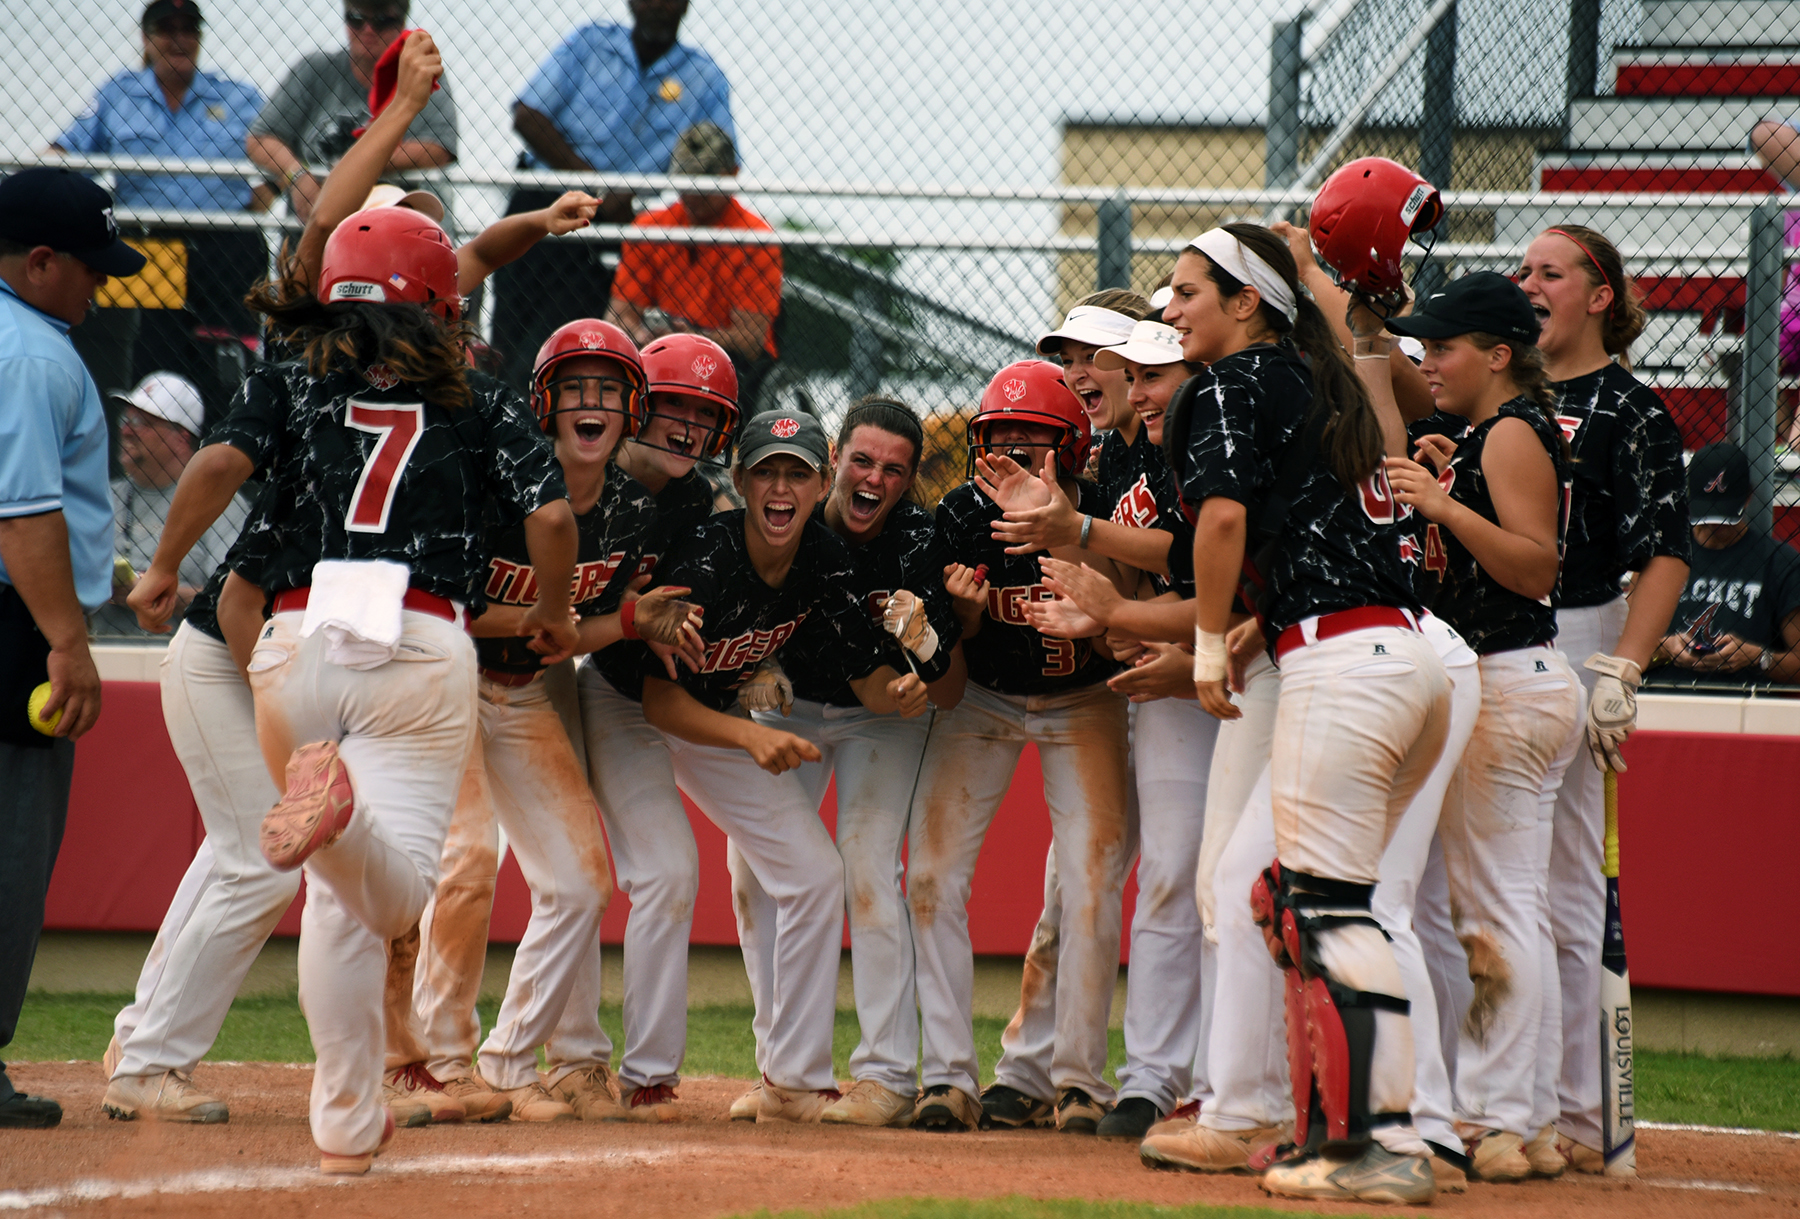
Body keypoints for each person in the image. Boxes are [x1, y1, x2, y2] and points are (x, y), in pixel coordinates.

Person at [127, 203, 578, 1174]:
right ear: (442, 306)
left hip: (301, 633)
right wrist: (553, 614)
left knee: (335, 893)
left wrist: (164, 566)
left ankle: (345, 1121)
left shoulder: (294, 376)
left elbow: (217, 462)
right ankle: (345, 829)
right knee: (390, 893)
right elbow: (549, 521)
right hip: (418, 637)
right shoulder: (477, 396)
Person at [1166, 224, 1450, 1205]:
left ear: (1247, 301)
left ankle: (1384, 1143)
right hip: (1403, 654)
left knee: (1325, 907)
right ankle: (1343, 1129)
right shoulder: (1317, 380)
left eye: (1189, 290)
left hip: (1344, 659)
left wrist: (1209, 641)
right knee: (1297, 899)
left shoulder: (1235, 381)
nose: (1172, 307)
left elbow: (1223, 517)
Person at [384, 321, 701, 1126]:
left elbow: (569, 635)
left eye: (608, 390)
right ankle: (438, 1062)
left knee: (579, 883)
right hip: (443, 677)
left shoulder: (631, 510)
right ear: (545, 404)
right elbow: (440, 605)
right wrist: (547, 620)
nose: (590, 403)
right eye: (574, 388)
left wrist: (627, 620)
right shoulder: (499, 480)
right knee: (467, 859)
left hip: (523, 690)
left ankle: (508, 1060)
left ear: (631, 410)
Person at [636, 409, 927, 1122]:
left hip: (716, 718)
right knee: (645, 874)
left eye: (797, 472)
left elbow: (863, 674)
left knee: (819, 873)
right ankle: (623, 1071)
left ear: (819, 482)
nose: (780, 486)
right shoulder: (708, 557)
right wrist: (746, 734)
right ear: (739, 479)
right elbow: (658, 701)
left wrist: (900, 690)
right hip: (633, 714)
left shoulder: (825, 557)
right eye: (766, 470)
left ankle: (794, 1078)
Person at [1383, 273, 1584, 1181]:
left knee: (1495, 912)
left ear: (1499, 355)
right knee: (1519, 909)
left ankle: (1497, 1119)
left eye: (1445, 346)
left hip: (1506, 677)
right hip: (1522, 679)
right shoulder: (1491, 432)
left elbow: (1536, 567)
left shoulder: (1509, 429)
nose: (1429, 361)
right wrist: (1450, 474)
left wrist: (1442, 503)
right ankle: (1530, 1118)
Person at [1000, 316, 1214, 1142]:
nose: (1079, 372)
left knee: (1188, 875)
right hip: (1144, 677)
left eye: (1099, 357)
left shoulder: (1183, 439)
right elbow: (1134, 579)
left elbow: (1196, 560)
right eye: (1068, 359)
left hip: (1204, 666)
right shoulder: (1111, 457)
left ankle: (1181, 1079)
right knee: (1079, 880)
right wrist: (1117, 616)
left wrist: (1129, 611)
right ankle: (1043, 1069)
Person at [906, 360, 1131, 1136]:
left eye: (1028, 442)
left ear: (1069, 448)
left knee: (1093, 880)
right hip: (985, 698)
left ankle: (1078, 1079)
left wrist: (1066, 536)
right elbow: (948, 650)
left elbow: (1123, 627)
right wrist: (964, 619)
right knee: (931, 876)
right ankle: (948, 1075)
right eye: (997, 440)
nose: (1008, 457)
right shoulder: (963, 515)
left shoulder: (1097, 511)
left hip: (1086, 698)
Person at [731, 396, 962, 1128]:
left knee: (866, 865)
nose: (874, 479)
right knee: (753, 874)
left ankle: (887, 1074)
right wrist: (751, 669)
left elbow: (946, 685)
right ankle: (781, 1069)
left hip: (879, 713)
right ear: (834, 461)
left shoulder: (919, 541)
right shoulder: (786, 515)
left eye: (893, 469)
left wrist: (922, 660)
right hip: (789, 702)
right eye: (861, 460)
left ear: (911, 479)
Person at [0, 166, 146, 1129]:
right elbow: (23, 516)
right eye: (89, 266)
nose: (100, 282)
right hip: (14, 626)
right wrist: (68, 639)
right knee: (12, 848)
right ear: (41, 260)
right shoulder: (33, 354)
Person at [572, 332, 734, 1123]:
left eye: (706, 415)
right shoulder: (574, 472)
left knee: (667, 870)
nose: (689, 428)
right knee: (561, 876)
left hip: (629, 689)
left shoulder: (699, 500)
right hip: (535, 674)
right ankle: (561, 1059)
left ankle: (648, 1075)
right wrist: (633, 617)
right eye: (674, 406)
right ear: (639, 405)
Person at [497, 0, 735, 388]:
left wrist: (633, 205)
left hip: (611, 228)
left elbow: (721, 163)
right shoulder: (590, 44)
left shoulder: (704, 78)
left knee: (564, 352)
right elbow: (527, 115)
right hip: (541, 204)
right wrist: (596, 187)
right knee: (505, 341)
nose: (658, 5)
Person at [52, 0, 270, 416]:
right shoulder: (118, 95)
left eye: (189, 29)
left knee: (226, 365)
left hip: (224, 250)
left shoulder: (238, 98)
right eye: (167, 29)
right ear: (146, 38)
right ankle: (141, 451)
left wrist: (268, 193)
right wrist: (31, 180)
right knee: (145, 364)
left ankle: (224, 445)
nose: (179, 39)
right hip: (148, 249)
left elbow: (277, 150)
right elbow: (66, 152)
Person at [607, 122, 781, 415]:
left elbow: (750, 341)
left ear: (732, 174)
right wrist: (640, 334)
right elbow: (618, 315)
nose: (693, 194)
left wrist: (689, 341)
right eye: (686, 181)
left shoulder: (756, 238)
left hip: (730, 364)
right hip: (657, 353)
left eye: (704, 184)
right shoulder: (649, 228)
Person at [246, 0, 457, 222]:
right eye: (356, 18)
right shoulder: (315, 71)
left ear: (402, 23)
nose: (368, 29)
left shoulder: (420, 72)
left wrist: (353, 168)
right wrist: (297, 176)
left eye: (382, 20)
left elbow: (439, 147)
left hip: (399, 226)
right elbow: (259, 139)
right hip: (315, 227)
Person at [100, 372, 249, 635]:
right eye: (126, 419)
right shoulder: (103, 498)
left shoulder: (221, 503)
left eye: (140, 422)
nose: (126, 431)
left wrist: (153, 592)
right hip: (102, 648)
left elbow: (233, 597)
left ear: (181, 438)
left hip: (175, 648)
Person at [1645, 441, 1800, 687]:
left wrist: (1757, 657)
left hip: (1742, 701)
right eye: (1706, 515)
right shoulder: (1663, 556)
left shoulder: (1780, 564)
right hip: (1665, 694)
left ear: (1748, 497)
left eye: (1725, 517)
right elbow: (1620, 653)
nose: (1715, 525)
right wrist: (1665, 649)